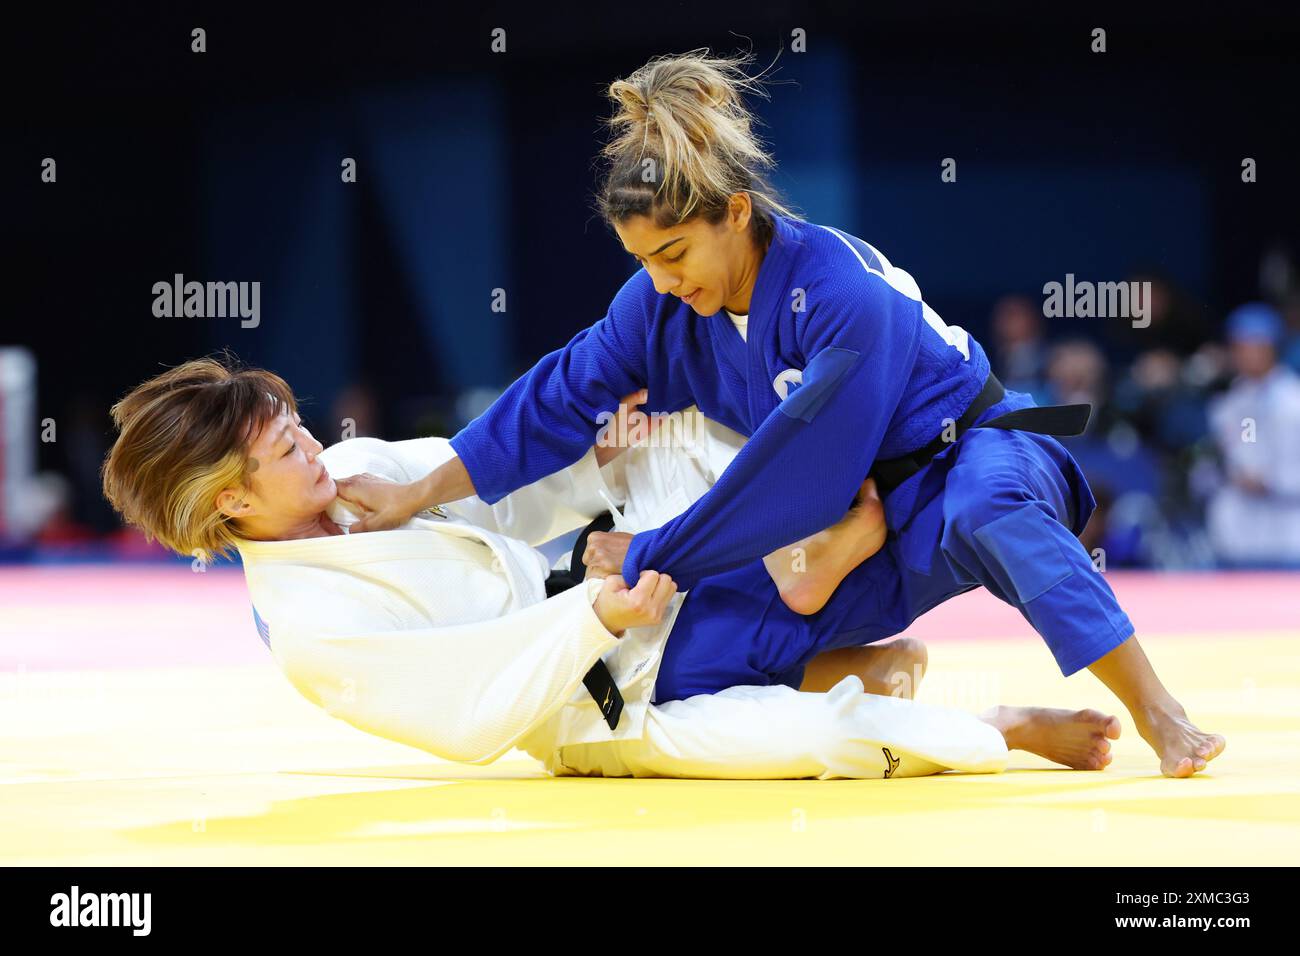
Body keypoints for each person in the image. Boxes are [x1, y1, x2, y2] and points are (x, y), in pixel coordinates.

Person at [336, 50, 1220, 778]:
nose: (662, 282)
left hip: (968, 456)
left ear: (736, 212)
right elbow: (560, 392)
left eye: (675, 253)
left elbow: (798, 476)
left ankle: (1159, 711)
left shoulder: (838, 293)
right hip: (850, 517)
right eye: (644, 262)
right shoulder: (660, 308)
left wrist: (648, 552)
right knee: (684, 663)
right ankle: (972, 713)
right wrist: (421, 491)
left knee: (989, 510)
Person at [98, 356, 1122, 779]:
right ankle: (988, 725)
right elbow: (469, 710)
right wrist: (593, 618)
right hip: (590, 712)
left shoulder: (364, 475)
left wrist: (601, 443)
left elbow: (498, 485)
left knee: (680, 433)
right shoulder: (312, 631)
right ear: (231, 502)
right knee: (816, 744)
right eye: (285, 449)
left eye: (296, 424)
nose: (312, 445)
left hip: (605, 588)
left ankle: (878, 497)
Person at [1206, 303, 1300, 566]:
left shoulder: (1293, 400)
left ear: (1271, 348)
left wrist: (1269, 481)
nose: (1244, 355)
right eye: (1238, 347)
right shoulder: (1229, 400)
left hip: (1288, 532)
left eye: (1252, 346)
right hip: (1240, 536)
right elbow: (1230, 456)